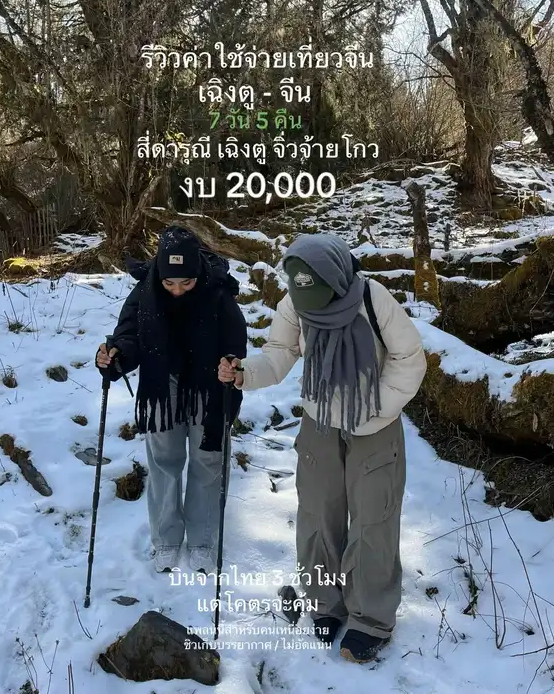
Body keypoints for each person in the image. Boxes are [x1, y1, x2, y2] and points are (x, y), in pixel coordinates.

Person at [218, 232, 426, 663]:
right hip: (319, 421)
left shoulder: (373, 298)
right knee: (317, 513)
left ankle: (371, 618)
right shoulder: (296, 301)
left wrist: (377, 407)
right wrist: (245, 373)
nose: (309, 306)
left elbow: (409, 358)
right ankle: (325, 603)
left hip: (375, 426)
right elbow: (279, 351)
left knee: (373, 519)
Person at [97, 225, 247, 574]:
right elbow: (129, 335)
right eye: (170, 283)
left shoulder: (217, 290)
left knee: (208, 459)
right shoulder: (145, 290)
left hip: (208, 385)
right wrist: (116, 355)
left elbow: (235, 341)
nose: (177, 290)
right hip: (162, 385)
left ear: (197, 274)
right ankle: (166, 538)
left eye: (186, 283)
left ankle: (202, 539)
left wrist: (231, 363)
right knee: (164, 459)